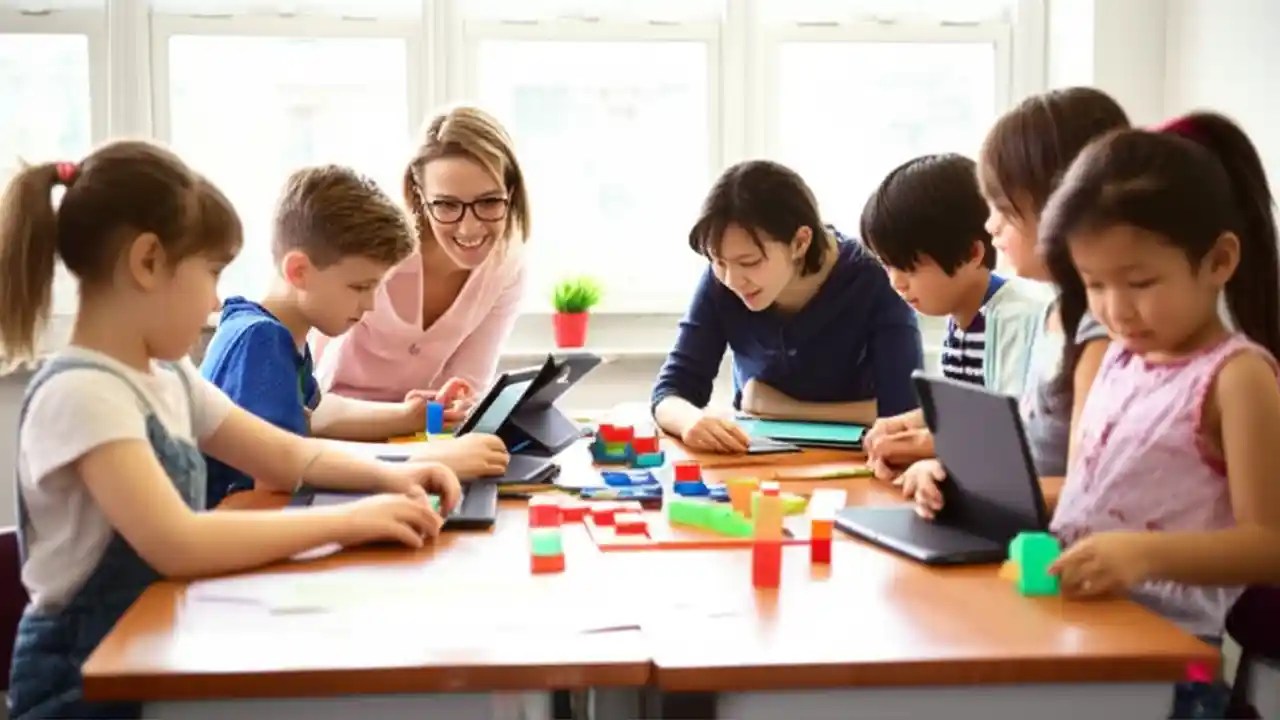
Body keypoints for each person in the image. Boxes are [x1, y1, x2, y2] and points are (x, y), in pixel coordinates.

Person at [0, 141, 461, 720]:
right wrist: (354, 519)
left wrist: (395, 475)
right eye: (211, 272)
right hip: (80, 682)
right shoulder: (84, 394)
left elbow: (287, 455)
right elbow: (178, 543)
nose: (218, 298)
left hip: (148, 649)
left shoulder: (168, 375)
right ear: (147, 263)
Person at [201, 165, 509, 507]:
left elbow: (313, 417)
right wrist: (427, 459)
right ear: (299, 271)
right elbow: (287, 465)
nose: (370, 303)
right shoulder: (259, 340)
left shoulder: (273, 334)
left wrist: (409, 415)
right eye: (360, 287)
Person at [868, 87, 1128, 483]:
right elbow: (1018, 433)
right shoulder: (1057, 316)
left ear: (1065, 203)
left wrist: (945, 466)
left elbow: (1081, 491)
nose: (991, 226)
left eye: (1004, 209)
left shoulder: (1090, 330)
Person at [651, 159, 923, 453]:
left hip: (862, 461)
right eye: (717, 261)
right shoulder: (723, 280)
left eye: (750, 262)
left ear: (800, 242)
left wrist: (784, 408)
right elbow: (671, 389)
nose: (732, 279)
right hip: (756, 460)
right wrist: (690, 420)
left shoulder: (874, 279)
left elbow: (905, 411)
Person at [313, 105, 529, 409]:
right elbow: (315, 384)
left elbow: (467, 389)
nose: (469, 227)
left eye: (490, 201)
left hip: (418, 432)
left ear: (512, 192)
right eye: (446, 205)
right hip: (337, 421)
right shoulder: (375, 248)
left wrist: (455, 407)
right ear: (419, 196)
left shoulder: (507, 269)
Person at [860, 152, 1051, 395]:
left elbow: (1011, 422)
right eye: (888, 266)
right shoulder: (960, 318)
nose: (896, 282)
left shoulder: (1019, 319)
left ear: (972, 253)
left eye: (910, 267)